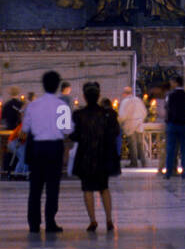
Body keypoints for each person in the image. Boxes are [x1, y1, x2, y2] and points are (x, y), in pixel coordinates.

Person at [21, 70, 71, 235]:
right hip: (54, 148)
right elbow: (67, 129)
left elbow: (25, 128)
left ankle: (34, 224)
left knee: (35, 188)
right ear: (57, 86)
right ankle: (50, 222)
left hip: (37, 148)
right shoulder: (61, 106)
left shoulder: (33, 105)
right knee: (52, 187)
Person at [70, 82, 119, 232]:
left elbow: (75, 135)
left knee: (87, 189)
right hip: (103, 156)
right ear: (98, 96)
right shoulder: (109, 114)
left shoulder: (79, 115)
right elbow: (115, 133)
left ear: (84, 97)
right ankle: (109, 219)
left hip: (86, 156)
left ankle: (92, 221)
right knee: (104, 188)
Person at [164, 75, 185, 179]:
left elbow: (167, 108)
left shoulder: (170, 95)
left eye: (172, 82)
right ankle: (184, 173)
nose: (171, 84)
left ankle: (168, 173)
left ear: (176, 83)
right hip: (184, 125)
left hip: (172, 124)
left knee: (170, 149)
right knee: (184, 150)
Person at [118, 86, 147, 168]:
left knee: (132, 145)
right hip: (139, 124)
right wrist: (140, 119)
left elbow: (122, 115)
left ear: (124, 93)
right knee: (140, 144)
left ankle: (134, 163)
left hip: (130, 125)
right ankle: (143, 162)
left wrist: (119, 122)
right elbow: (144, 112)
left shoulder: (125, 102)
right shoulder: (138, 100)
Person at [0, 86, 23, 174]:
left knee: (8, 149)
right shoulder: (21, 104)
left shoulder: (7, 104)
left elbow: (3, 117)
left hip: (9, 129)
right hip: (19, 130)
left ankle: (6, 167)